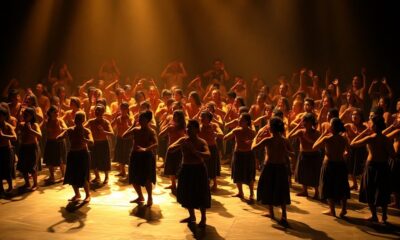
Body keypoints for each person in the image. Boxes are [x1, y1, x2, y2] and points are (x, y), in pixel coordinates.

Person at [351, 115, 395, 223]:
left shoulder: (371, 137)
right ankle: (384, 216)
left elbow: (353, 143)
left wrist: (363, 132)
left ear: (374, 126)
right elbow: (393, 155)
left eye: (370, 123)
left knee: (369, 189)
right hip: (383, 166)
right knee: (382, 191)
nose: (369, 124)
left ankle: (374, 215)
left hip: (371, 167)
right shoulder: (386, 139)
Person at [167, 119, 211, 227]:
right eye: (187, 127)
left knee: (201, 193)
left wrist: (194, 151)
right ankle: (192, 216)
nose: (188, 129)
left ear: (196, 129)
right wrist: (180, 144)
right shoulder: (183, 140)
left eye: (190, 127)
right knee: (187, 193)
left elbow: (208, 154)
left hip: (198, 169)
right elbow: (170, 149)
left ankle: (203, 217)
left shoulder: (201, 142)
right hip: (186, 168)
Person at [252, 117, 292, 226]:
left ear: (271, 128)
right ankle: (283, 215)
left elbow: (254, 148)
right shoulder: (285, 140)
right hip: (281, 167)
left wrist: (256, 137)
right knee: (281, 190)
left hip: (270, 167)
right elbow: (291, 155)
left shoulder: (268, 140)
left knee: (269, 188)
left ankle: (272, 213)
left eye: (269, 125)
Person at [313, 118, 351, 217]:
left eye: (330, 125)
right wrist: (343, 154)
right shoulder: (344, 139)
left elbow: (314, 146)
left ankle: (332, 210)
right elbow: (349, 151)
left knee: (328, 186)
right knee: (342, 186)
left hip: (329, 164)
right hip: (340, 164)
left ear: (332, 127)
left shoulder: (328, 138)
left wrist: (323, 134)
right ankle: (343, 209)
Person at [123, 110, 158, 207]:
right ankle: (140, 196)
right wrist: (132, 126)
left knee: (147, 178)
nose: (140, 120)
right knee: (134, 178)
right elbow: (124, 136)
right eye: (140, 118)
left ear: (147, 120)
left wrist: (146, 149)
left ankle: (150, 197)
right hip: (135, 155)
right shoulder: (136, 130)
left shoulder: (151, 131)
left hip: (146, 157)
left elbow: (156, 144)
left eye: (142, 119)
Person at [57, 111, 93, 203]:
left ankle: (88, 195)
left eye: (80, 120)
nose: (77, 121)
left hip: (83, 154)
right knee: (72, 175)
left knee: (84, 176)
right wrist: (62, 133)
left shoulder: (86, 131)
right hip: (73, 154)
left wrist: (85, 140)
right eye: (76, 119)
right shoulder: (70, 130)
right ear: (74, 119)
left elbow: (92, 142)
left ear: (83, 120)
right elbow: (59, 137)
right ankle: (77, 194)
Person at [224, 113, 256, 201]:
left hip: (248, 155)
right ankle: (240, 192)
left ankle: (251, 194)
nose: (239, 121)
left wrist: (251, 141)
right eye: (239, 119)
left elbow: (257, 140)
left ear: (247, 122)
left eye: (242, 120)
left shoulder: (252, 132)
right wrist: (232, 132)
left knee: (249, 175)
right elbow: (225, 138)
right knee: (237, 174)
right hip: (238, 154)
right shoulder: (236, 130)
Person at [288, 113, 321, 198]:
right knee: (302, 173)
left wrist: (307, 138)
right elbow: (289, 136)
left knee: (314, 174)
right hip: (303, 154)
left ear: (312, 123)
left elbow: (316, 144)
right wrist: (297, 127)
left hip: (314, 155)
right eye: (304, 122)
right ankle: (304, 191)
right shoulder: (300, 131)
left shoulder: (317, 133)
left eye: (307, 122)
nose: (305, 124)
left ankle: (316, 192)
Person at [85, 104, 114, 185]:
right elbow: (83, 128)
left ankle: (106, 177)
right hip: (94, 143)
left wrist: (103, 131)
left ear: (103, 112)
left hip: (103, 143)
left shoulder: (106, 122)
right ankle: (97, 177)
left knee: (105, 161)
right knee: (93, 161)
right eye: (96, 110)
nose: (97, 112)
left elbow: (112, 133)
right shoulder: (91, 121)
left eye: (100, 111)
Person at [159, 110, 186, 193]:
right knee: (172, 166)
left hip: (178, 149)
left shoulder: (180, 127)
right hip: (175, 148)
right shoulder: (183, 126)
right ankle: (174, 184)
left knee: (176, 167)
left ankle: (176, 184)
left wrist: (167, 127)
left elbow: (160, 134)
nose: (173, 117)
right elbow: (161, 134)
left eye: (175, 116)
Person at [16, 107, 42, 191]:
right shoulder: (22, 124)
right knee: (23, 167)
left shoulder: (34, 125)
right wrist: (18, 124)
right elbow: (16, 133)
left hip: (32, 147)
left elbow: (39, 135)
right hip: (23, 147)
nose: (25, 116)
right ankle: (27, 183)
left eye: (27, 115)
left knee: (32, 167)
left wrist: (30, 130)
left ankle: (35, 184)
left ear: (31, 116)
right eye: (24, 115)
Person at [199, 111, 223, 191]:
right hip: (202, 148)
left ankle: (215, 184)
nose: (201, 118)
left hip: (212, 148)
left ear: (209, 119)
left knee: (212, 166)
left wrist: (215, 134)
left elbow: (221, 134)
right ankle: (204, 183)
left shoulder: (214, 125)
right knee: (203, 166)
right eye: (201, 117)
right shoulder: (199, 127)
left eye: (204, 117)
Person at [42, 105, 68, 184]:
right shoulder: (47, 121)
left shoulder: (60, 120)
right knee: (50, 160)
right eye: (55, 112)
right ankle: (52, 176)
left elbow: (66, 129)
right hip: (50, 142)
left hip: (59, 142)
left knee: (60, 160)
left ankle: (63, 175)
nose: (56, 113)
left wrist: (61, 128)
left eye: (57, 112)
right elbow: (40, 128)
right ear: (50, 113)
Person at [344, 109, 367, 190]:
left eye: (357, 114)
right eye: (353, 114)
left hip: (361, 150)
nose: (354, 116)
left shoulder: (365, 127)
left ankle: (363, 186)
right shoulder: (348, 126)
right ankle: (354, 184)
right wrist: (345, 149)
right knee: (350, 168)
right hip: (350, 149)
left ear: (361, 117)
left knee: (361, 170)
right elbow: (339, 134)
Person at [111, 102, 133, 178]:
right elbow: (111, 125)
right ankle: (122, 171)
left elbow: (131, 129)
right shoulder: (118, 118)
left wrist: (127, 125)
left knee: (127, 155)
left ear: (127, 109)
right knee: (120, 154)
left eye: (124, 109)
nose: (122, 110)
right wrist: (114, 118)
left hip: (127, 139)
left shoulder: (129, 118)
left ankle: (130, 173)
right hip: (119, 138)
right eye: (121, 109)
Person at [0, 107, 17, 196]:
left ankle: (10, 187)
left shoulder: (8, 126)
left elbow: (15, 137)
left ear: (4, 116)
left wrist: (3, 135)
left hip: (6, 150)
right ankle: (1, 189)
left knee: (8, 170)